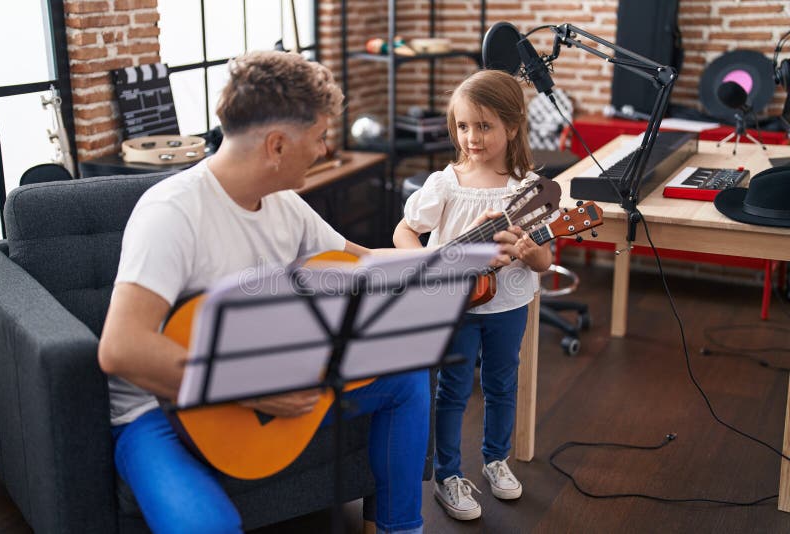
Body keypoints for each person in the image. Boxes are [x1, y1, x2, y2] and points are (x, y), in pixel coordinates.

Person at [98, 51, 434, 534]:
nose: (324, 150)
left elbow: (363, 262)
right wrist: (251, 386)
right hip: (156, 413)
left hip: (263, 385)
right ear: (277, 145)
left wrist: (455, 258)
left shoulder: (283, 204)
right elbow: (121, 348)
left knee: (405, 373)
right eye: (319, 137)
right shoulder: (171, 212)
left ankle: (400, 528)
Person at [393, 69, 552, 521]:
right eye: (463, 126)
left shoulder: (527, 189)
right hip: (453, 305)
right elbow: (404, 231)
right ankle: (448, 475)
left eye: (484, 126)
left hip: (508, 304)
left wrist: (530, 253)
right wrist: (429, 265)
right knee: (453, 389)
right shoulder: (446, 183)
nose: (472, 138)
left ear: (512, 127)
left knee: (502, 384)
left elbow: (543, 260)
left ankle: (496, 460)